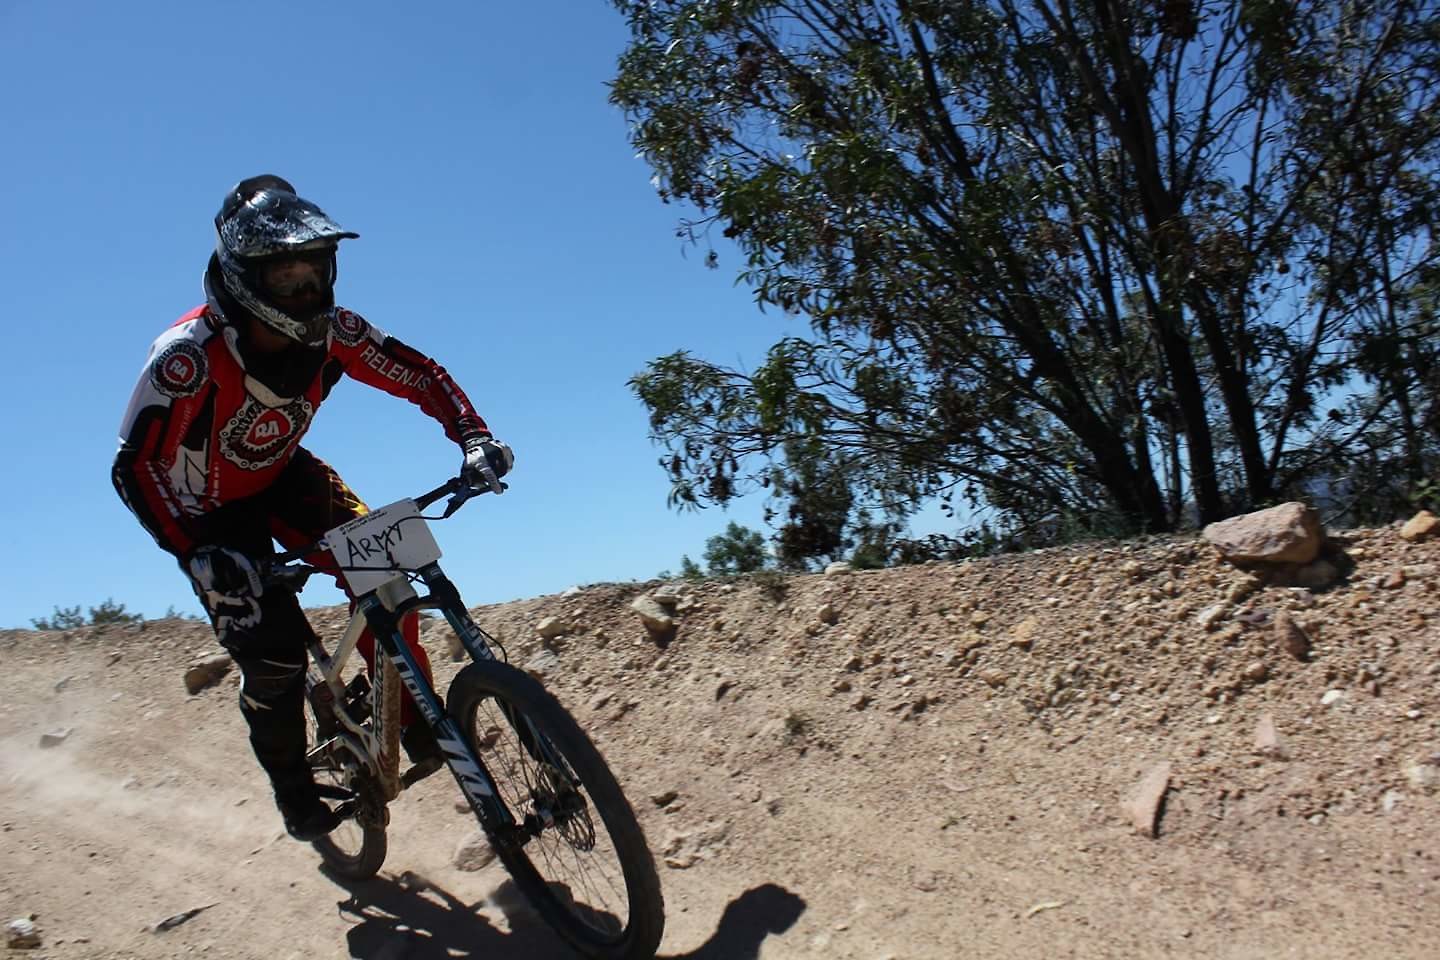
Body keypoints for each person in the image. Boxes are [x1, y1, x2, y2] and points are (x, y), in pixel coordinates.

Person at [112, 175, 513, 841]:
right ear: (243, 279)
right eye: (285, 276)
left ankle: (414, 718)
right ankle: (296, 795)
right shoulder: (187, 358)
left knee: (390, 572)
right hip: (207, 514)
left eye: (314, 271)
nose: (305, 291)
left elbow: (419, 372)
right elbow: (134, 467)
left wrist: (474, 437)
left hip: (285, 476)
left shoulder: (336, 332)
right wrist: (199, 553)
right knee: (272, 662)